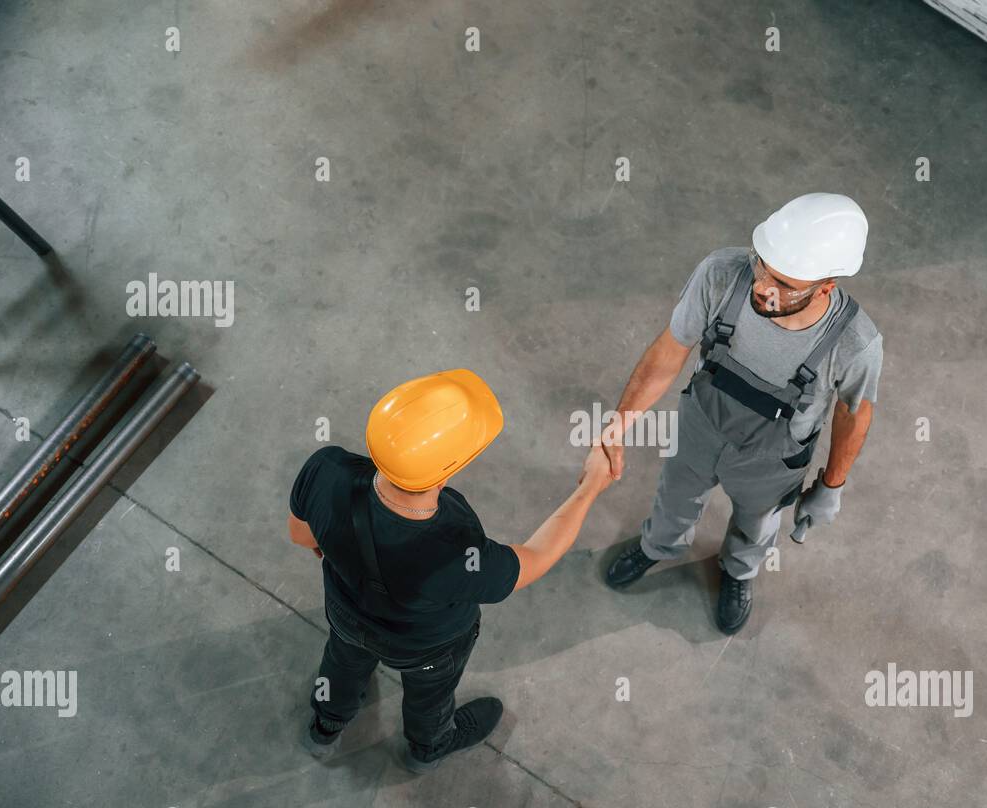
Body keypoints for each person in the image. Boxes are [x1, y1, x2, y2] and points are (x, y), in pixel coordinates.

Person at [288, 369, 613, 771]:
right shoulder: (454, 552)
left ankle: (326, 725)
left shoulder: (327, 470)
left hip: (345, 616)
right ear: (447, 469)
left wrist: (343, 557)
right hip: (425, 649)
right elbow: (536, 556)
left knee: (342, 661)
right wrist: (589, 489)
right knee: (430, 696)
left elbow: (301, 537)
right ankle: (428, 749)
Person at [594, 194, 883, 634]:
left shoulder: (854, 343)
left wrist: (831, 486)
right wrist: (621, 422)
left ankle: (738, 572)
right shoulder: (722, 275)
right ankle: (658, 546)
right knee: (675, 496)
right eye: (761, 264)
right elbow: (671, 351)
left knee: (756, 524)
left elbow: (853, 413)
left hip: (772, 462)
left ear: (826, 285)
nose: (763, 285)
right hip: (701, 425)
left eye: (784, 283)